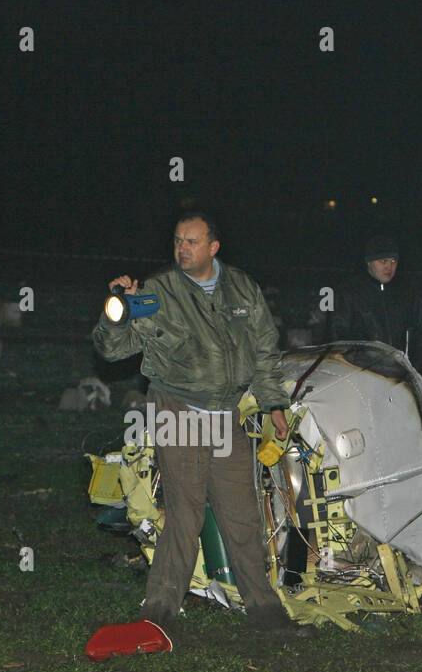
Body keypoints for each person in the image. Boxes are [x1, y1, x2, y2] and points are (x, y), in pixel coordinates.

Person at [93, 211, 314, 638]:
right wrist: (115, 312)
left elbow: (266, 352)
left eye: (192, 242)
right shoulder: (158, 292)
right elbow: (113, 349)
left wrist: (274, 404)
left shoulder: (242, 288)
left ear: (213, 247)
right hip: (179, 411)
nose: (182, 248)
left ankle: (266, 615)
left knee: (243, 515)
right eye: (177, 240)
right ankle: (158, 613)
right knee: (185, 513)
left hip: (227, 415)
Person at [328, 235, 422, 376]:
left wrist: (417, 369)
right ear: (369, 262)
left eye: (393, 261)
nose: (389, 267)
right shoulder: (349, 292)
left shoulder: (408, 292)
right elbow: (338, 335)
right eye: (383, 261)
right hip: (364, 374)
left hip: (403, 373)